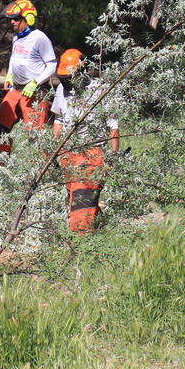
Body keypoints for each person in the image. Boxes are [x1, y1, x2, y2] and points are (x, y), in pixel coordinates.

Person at [50, 49, 120, 234]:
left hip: (92, 153)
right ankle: (99, 229)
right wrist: (52, 149)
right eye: (63, 78)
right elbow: (59, 120)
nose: (66, 82)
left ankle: (81, 243)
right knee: (75, 197)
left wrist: (113, 156)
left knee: (83, 198)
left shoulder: (99, 90)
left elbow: (113, 125)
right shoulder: (61, 90)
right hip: (68, 153)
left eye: (69, 78)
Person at [0, 0, 56, 153]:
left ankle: (43, 172)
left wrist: (36, 82)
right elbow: (15, 58)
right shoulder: (16, 37)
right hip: (16, 90)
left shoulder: (40, 38)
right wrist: (9, 75)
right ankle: (0, 166)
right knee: (0, 127)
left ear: (29, 18)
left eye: (16, 19)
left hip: (35, 92)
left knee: (36, 136)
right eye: (11, 20)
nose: (12, 23)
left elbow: (52, 64)